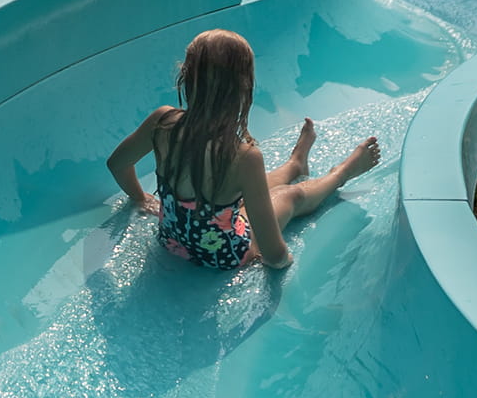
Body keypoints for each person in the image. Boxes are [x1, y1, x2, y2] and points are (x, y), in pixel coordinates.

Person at [106, 29, 380, 271]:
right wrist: (284, 262)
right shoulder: (243, 157)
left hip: (173, 242)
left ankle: (295, 165)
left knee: (239, 194)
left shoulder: (161, 122)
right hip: (226, 257)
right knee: (289, 195)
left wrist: (140, 198)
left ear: (186, 78)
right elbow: (273, 253)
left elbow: (116, 164)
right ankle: (342, 172)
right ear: (243, 89)